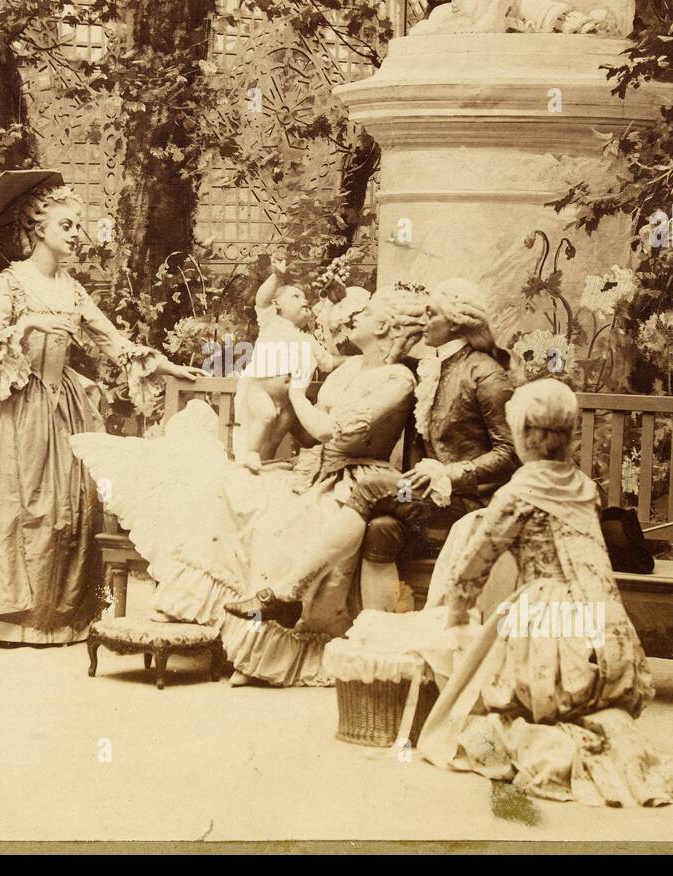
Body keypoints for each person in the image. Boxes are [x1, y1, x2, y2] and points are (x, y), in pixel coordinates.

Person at [69, 287, 428, 686]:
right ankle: (218, 626)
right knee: (234, 491)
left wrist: (294, 394)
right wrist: (266, 442)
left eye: (365, 312)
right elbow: (313, 435)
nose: (351, 317)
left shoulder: (397, 378)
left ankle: (264, 654)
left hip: (353, 481)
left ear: (383, 326)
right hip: (314, 472)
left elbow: (333, 431)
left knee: (281, 523)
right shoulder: (347, 369)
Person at [416, 378, 673, 806]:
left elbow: (476, 561)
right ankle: (586, 715)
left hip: (547, 614)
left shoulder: (517, 494)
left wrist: (455, 612)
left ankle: (548, 723)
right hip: (602, 612)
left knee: (483, 703)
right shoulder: (585, 487)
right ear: (568, 436)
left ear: (524, 437)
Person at [0, 183, 205, 646]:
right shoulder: (8, 283)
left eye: (78, 226)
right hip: (21, 405)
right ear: (38, 230)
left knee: (72, 507)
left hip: (65, 405)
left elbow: (112, 341)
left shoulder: (73, 289)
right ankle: (8, 616)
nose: (76, 234)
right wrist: (27, 323)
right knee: (23, 505)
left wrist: (164, 364)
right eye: (66, 225)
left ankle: (59, 616)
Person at [357, 278, 518, 613]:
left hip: (469, 505)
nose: (422, 322)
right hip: (428, 504)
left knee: (368, 486)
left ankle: (290, 589)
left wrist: (449, 473)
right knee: (380, 529)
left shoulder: (486, 373)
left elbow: (510, 454)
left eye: (431, 315)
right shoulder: (431, 367)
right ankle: (380, 635)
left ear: (456, 323)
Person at [232, 256, 337, 471]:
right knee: (265, 415)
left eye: (305, 298)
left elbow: (329, 363)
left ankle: (264, 465)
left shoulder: (309, 341)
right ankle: (251, 454)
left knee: (275, 436)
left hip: (288, 401)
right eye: (295, 296)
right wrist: (276, 276)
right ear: (277, 305)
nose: (303, 300)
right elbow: (261, 300)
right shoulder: (271, 323)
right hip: (261, 390)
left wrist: (357, 358)